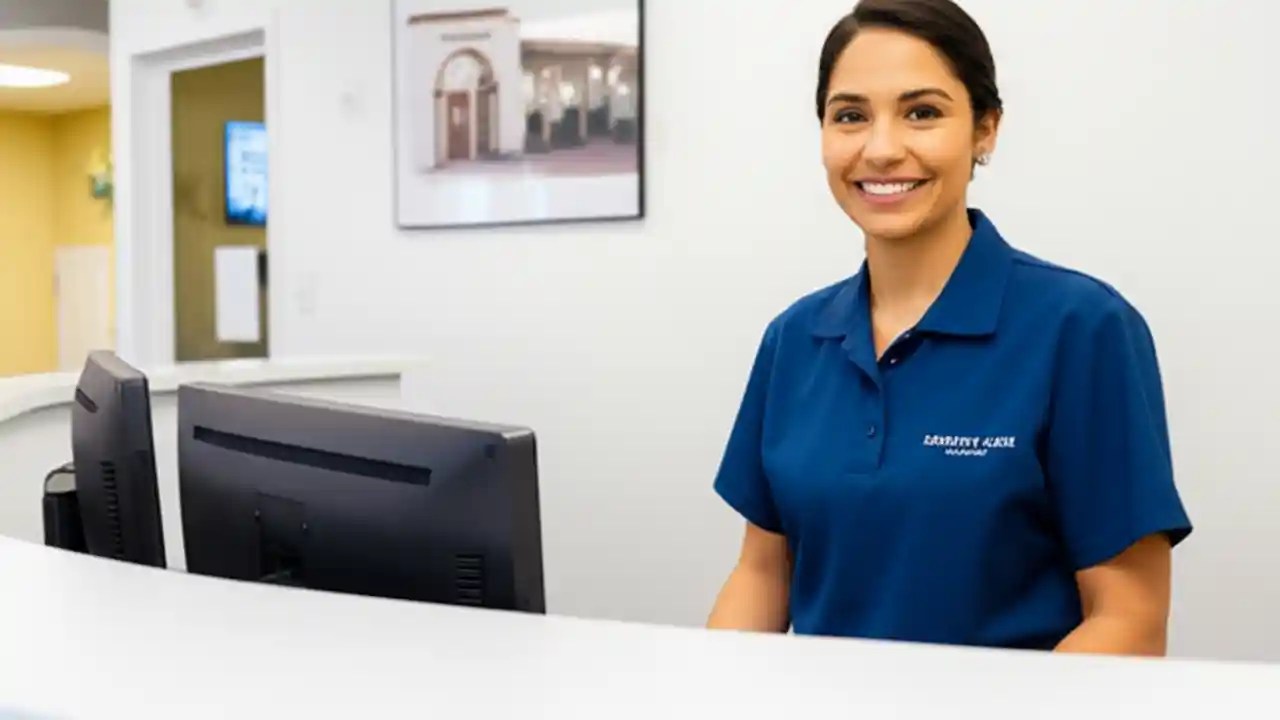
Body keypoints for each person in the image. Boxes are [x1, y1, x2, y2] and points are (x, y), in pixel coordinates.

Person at [706, 0, 1192, 655]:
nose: (881, 149)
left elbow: (1129, 620)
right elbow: (764, 573)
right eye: (850, 115)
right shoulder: (794, 340)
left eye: (922, 113)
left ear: (985, 130)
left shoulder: (1081, 329)